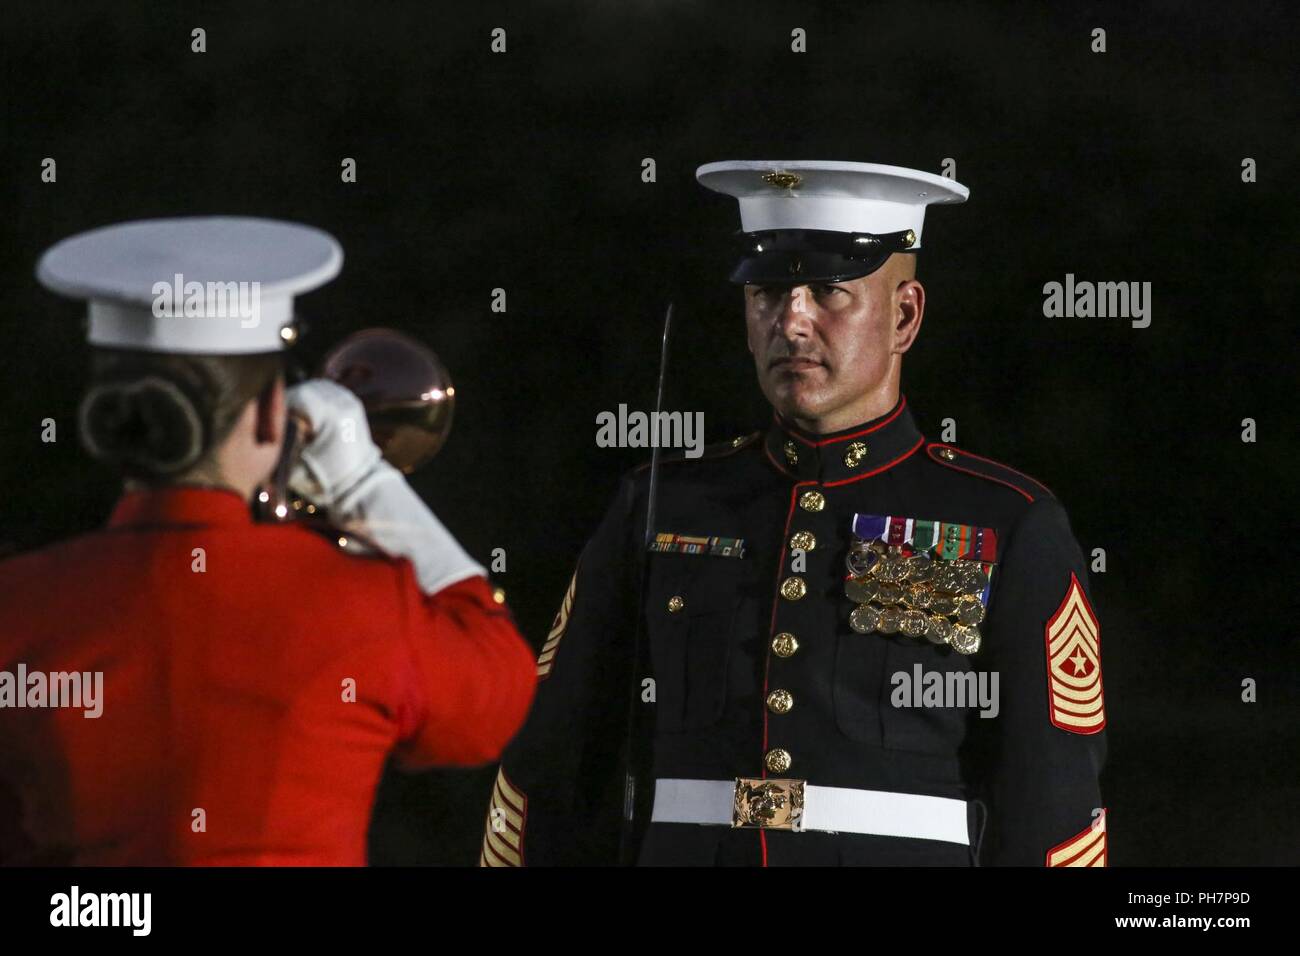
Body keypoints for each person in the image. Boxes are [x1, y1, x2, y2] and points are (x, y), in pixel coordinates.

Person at [480, 161, 1107, 867]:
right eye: (769, 291)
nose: (792, 320)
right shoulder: (658, 504)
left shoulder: (1008, 522)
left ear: (905, 315)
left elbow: (1050, 797)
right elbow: (554, 760)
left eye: (829, 291)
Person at [0, 217, 536, 865]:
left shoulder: (20, 604)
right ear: (266, 416)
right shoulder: (354, 600)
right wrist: (368, 487)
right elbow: (496, 696)